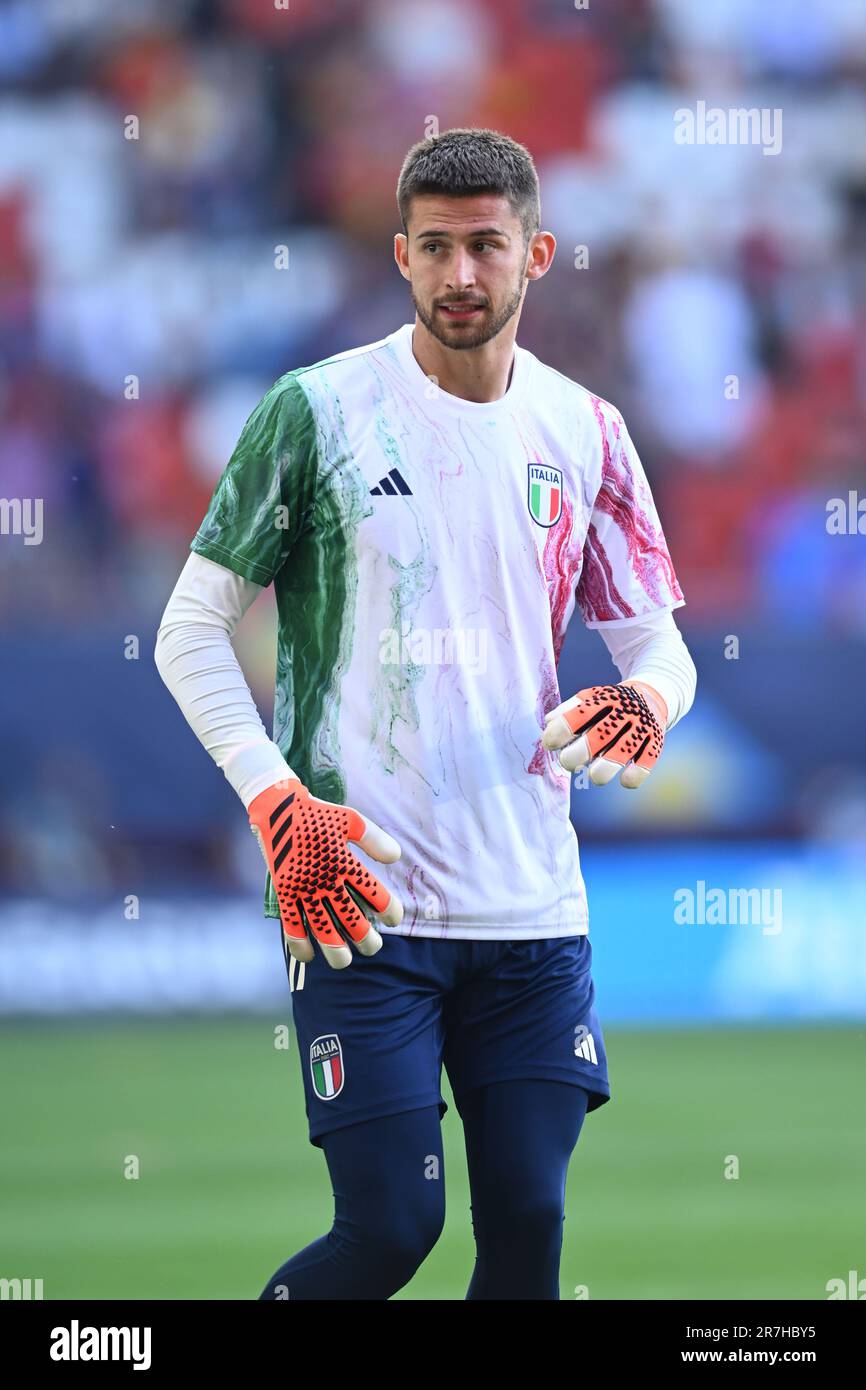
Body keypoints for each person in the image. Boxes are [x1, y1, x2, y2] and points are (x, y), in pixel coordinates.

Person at [155, 127, 697, 1300]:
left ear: (535, 254)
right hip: (357, 898)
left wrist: (644, 699)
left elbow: (657, 646)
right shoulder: (315, 412)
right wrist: (275, 802)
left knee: (528, 1227)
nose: (461, 275)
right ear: (401, 256)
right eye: (436, 247)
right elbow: (187, 629)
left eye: (486, 247)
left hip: (531, 910)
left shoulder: (588, 431)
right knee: (391, 1228)